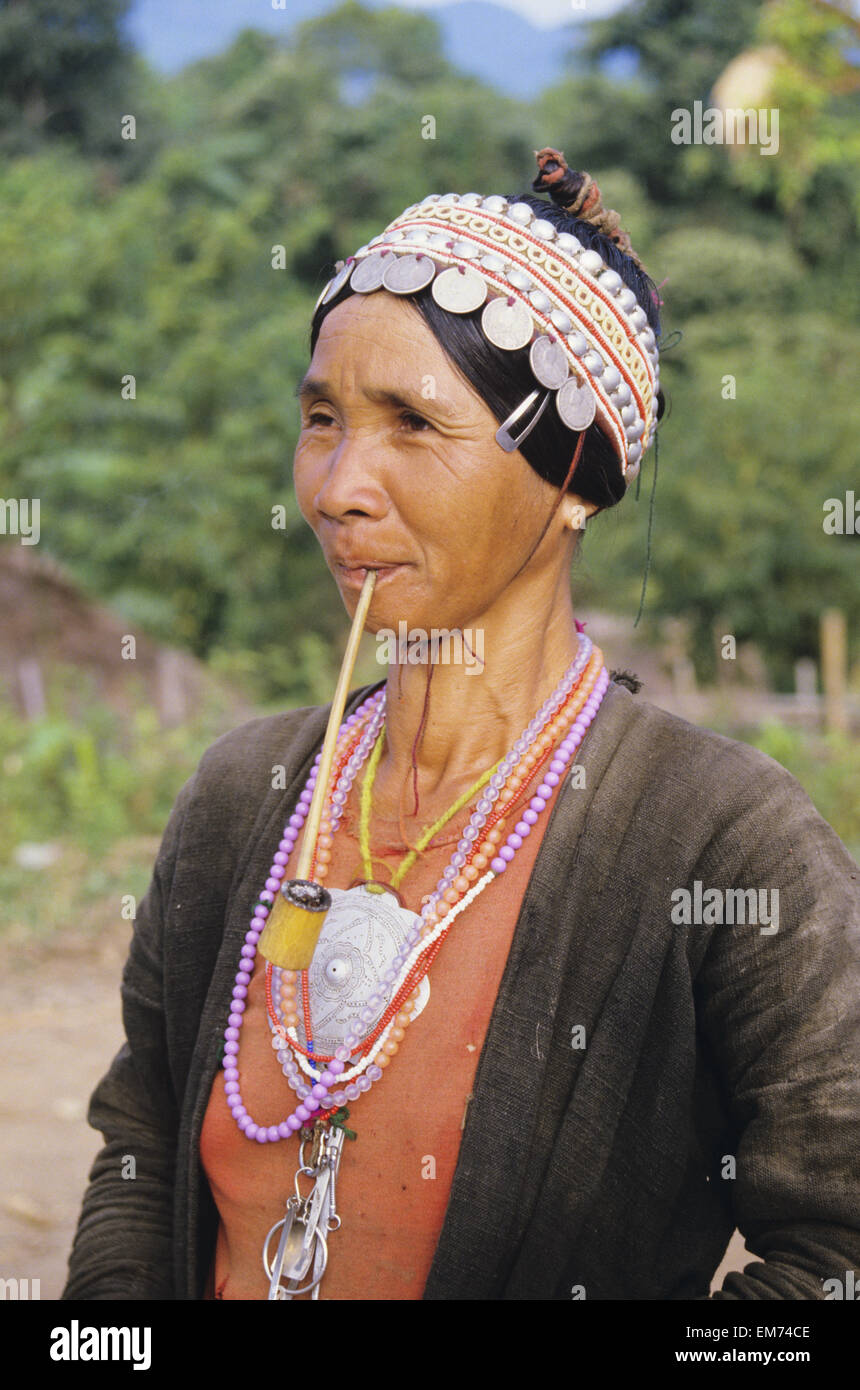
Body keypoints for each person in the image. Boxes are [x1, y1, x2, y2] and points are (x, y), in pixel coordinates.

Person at [63, 149, 860, 1301]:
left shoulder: (722, 843)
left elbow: (835, 1255)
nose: (337, 485)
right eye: (321, 417)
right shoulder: (245, 793)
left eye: (411, 424)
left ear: (574, 475)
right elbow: (137, 1143)